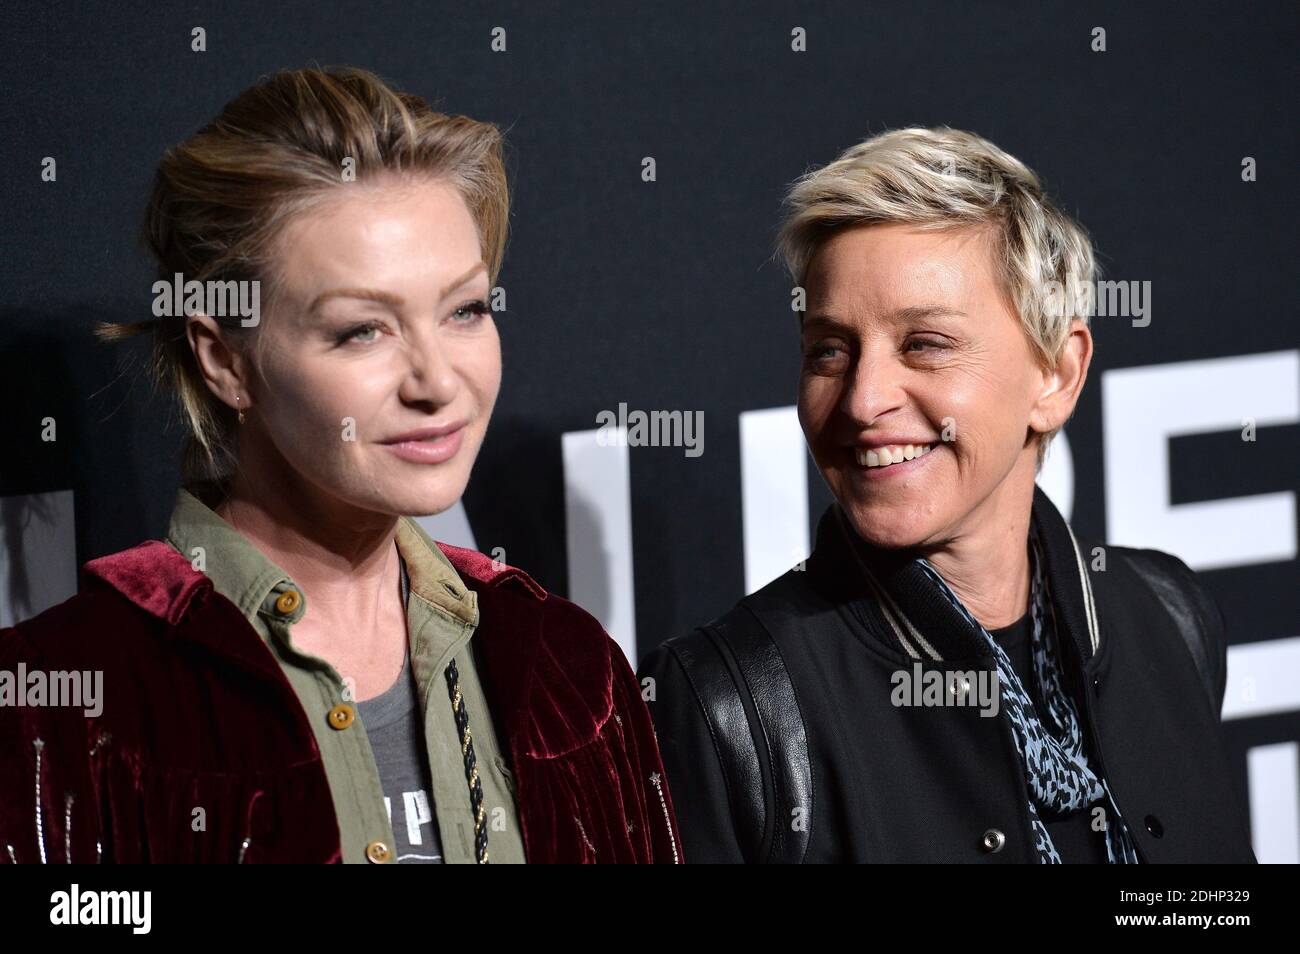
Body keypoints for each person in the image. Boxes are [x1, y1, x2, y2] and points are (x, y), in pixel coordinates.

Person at [0, 66, 680, 864]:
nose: (437, 382)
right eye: (363, 330)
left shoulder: (567, 672)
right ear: (224, 360)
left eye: (464, 311)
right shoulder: (62, 710)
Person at [638, 127, 1255, 864]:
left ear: (1056, 375)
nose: (863, 400)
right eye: (829, 350)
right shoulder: (727, 703)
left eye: (924, 343)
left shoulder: (1169, 616)